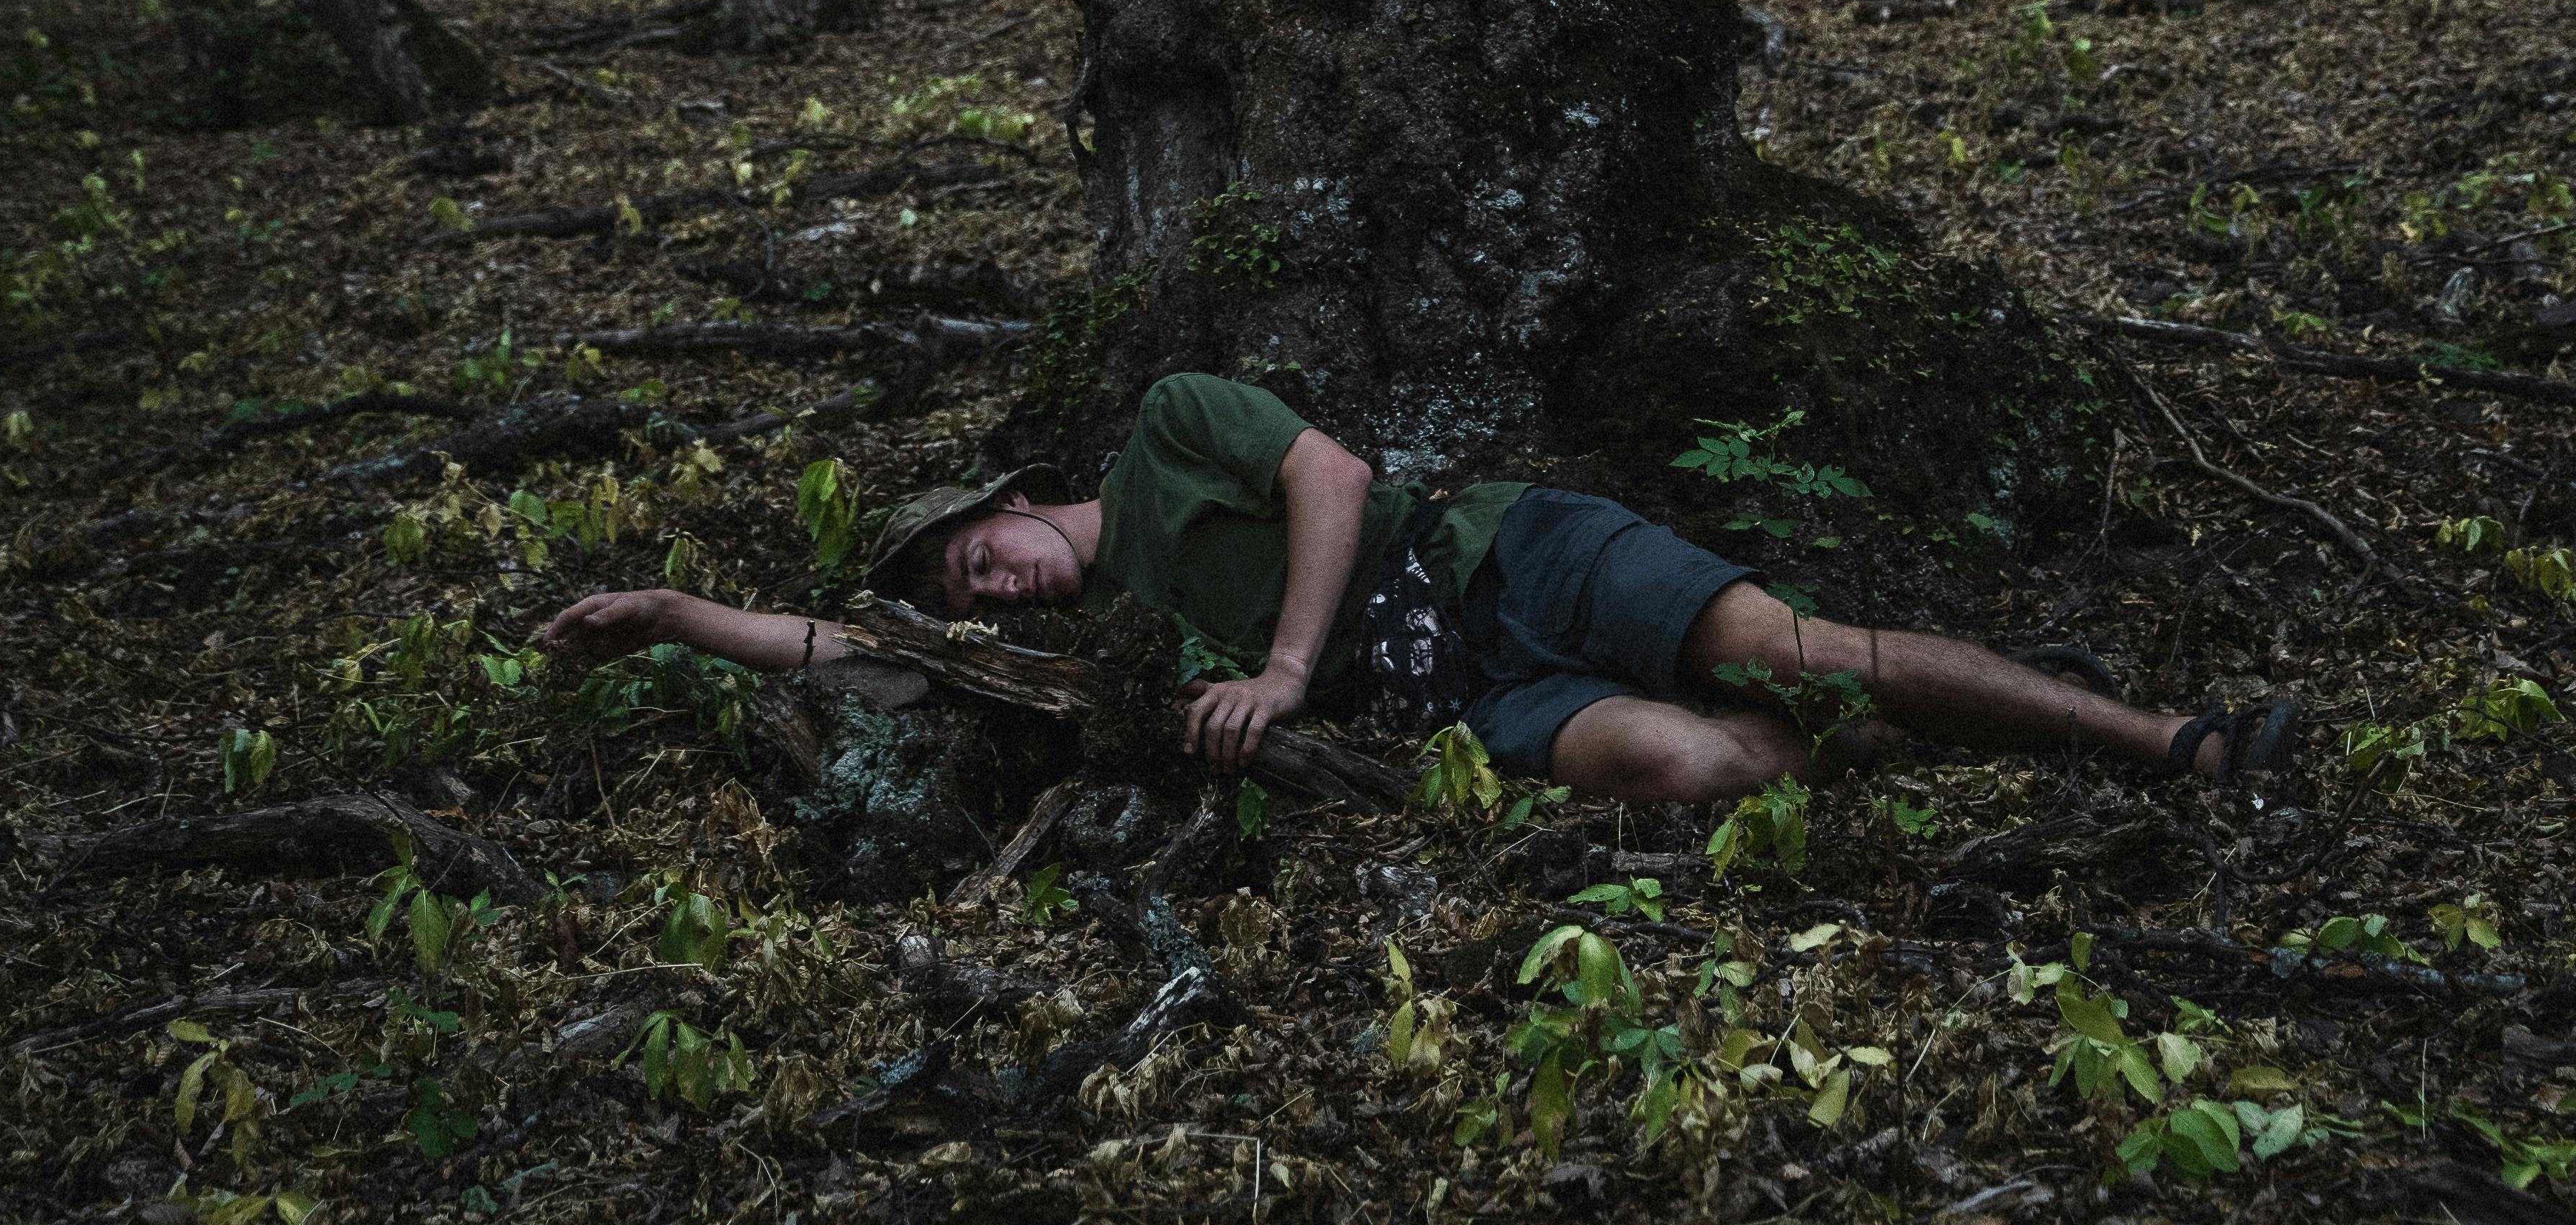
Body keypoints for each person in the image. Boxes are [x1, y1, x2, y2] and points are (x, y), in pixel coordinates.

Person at [540, 371, 2295, 803]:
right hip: (1467, 704)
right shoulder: (1094, 635)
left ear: (1008, 496)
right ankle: (1947, 700)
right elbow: (881, 659)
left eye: (968, 550)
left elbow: (1334, 469)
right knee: (1692, 766)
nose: (981, 588)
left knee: (1788, 647)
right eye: (959, 587)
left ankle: (2167, 742)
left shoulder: (1165, 432)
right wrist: (682, 619)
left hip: (1508, 554)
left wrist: (1291, 665)